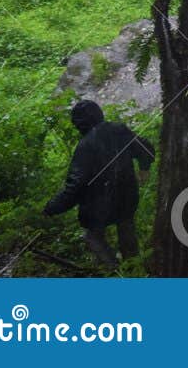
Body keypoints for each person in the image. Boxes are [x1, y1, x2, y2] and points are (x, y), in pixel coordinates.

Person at [43, 100, 154, 269]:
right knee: (126, 228)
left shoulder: (85, 146)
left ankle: (114, 271)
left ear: (80, 124)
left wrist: (52, 207)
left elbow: (75, 186)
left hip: (99, 206)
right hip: (127, 197)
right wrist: (144, 168)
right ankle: (133, 269)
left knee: (93, 237)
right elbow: (145, 148)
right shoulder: (119, 131)